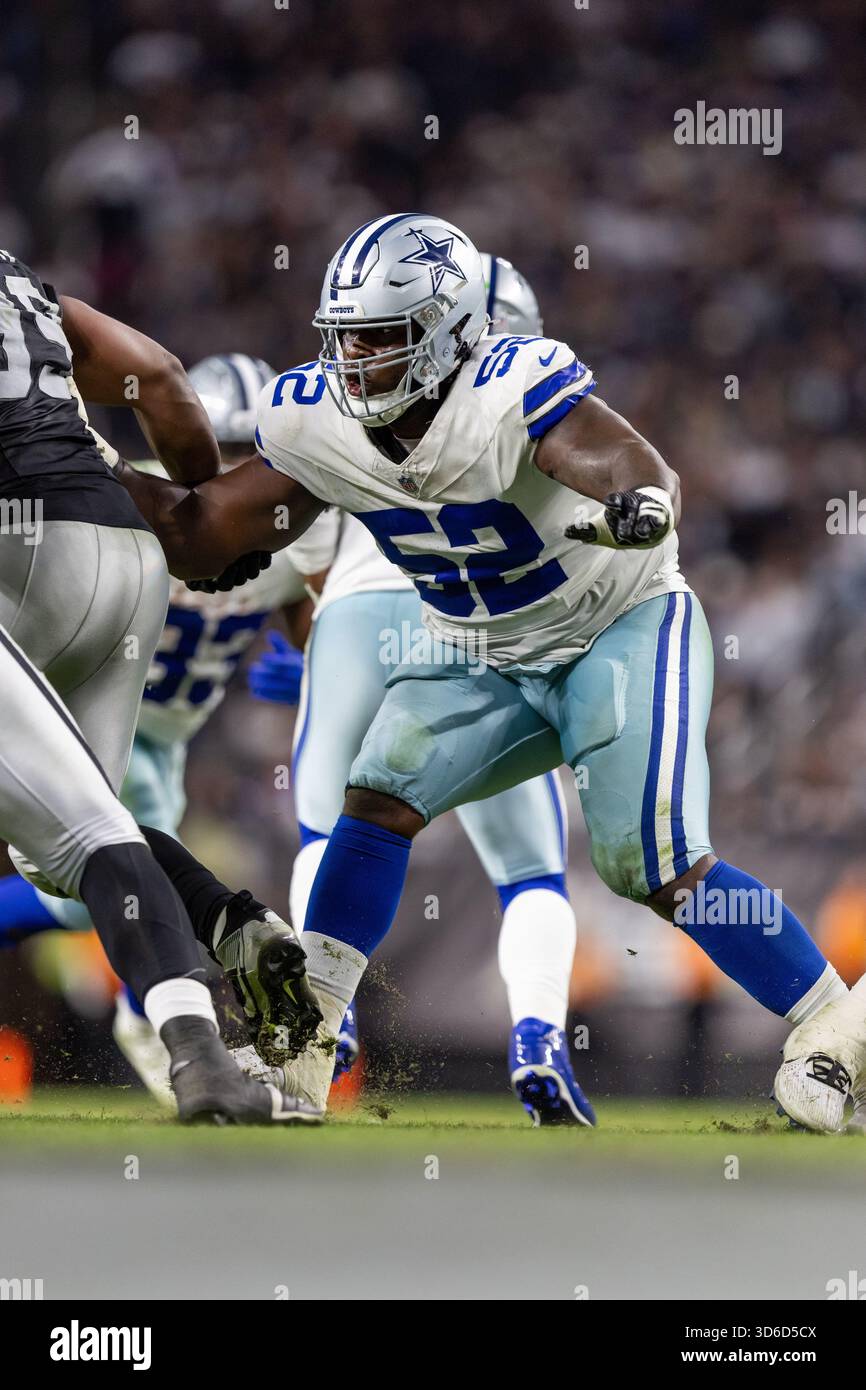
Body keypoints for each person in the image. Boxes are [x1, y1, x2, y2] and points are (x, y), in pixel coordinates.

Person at [112, 214, 866, 1133]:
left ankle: (834, 1029)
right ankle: (304, 1050)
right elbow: (206, 532)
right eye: (344, 336)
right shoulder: (317, 418)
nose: (353, 361)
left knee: (654, 862)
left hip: (612, 628)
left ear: (446, 332)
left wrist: (638, 497)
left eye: (380, 338)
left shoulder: (507, 384)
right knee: (377, 798)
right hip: (481, 647)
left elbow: (620, 456)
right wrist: (95, 470)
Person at [247, 255, 593, 1127]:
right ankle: (539, 1037)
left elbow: (297, 554)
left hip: (358, 614)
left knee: (328, 829)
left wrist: (313, 647)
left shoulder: (337, 406)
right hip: (481, 625)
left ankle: (326, 1016)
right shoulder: (532, 402)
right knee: (531, 872)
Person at [0, 252, 318, 1122]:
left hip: (13, 557)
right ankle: (226, 925)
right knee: (77, 839)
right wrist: (205, 514)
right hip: (122, 559)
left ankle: (200, 1051)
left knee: (79, 838)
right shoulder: (21, 283)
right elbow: (160, 376)